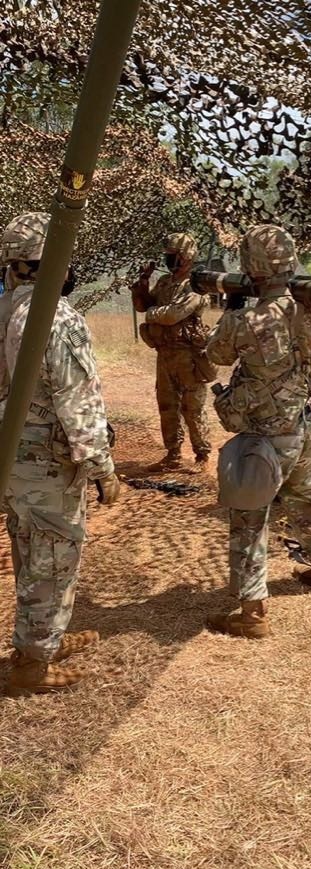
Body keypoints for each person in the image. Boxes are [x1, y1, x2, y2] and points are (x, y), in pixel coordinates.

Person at [0, 212, 121, 695]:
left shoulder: (5, 309)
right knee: (53, 557)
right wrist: (102, 468)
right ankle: (33, 665)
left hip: (13, 459)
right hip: (48, 465)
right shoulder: (57, 317)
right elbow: (78, 402)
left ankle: (40, 640)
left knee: (31, 551)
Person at [205, 224, 311, 640]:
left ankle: (251, 613)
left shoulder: (244, 320)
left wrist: (231, 310)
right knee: (307, 499)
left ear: (252, 267)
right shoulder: (308, 312)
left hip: (262, 436)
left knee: (249, 517)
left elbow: (215, 355)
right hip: (300, 427)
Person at [132, 233, 213, 472]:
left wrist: (152, 313)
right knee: (167, 405)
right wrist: (142, 286)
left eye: (173, 256)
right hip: (165, 353)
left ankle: (202, 456)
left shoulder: (196, 285)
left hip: (188, 356)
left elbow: (172, 315)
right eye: (168, 256)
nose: (169, 260)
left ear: (186, 256)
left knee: (192, 406)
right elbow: (143, 306)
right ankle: (173, 453)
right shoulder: (166, 282)